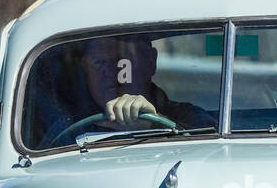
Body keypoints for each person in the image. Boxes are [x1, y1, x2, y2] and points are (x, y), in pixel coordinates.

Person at [33, 34, 212, 147]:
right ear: (86, 72)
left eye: (122, 61)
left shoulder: (192, 118)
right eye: (99, 63)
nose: (112, 72)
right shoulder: (68, 132)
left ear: (150, 61)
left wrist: (156, 123)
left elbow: (213, 156)